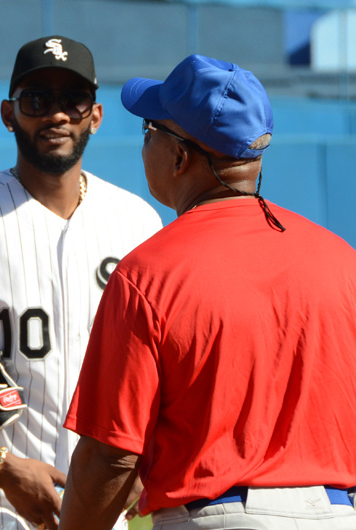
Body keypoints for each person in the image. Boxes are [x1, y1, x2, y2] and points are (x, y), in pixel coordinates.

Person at [60, 54, 356, 530]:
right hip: (339, 513)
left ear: (180, 156)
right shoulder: (342, 260)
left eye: (149, 129)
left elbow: (110, 455)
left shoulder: (148, 273)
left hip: (219, 515)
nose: (145, 143)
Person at [0, 36, 162, 530]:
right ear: (9, 114)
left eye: (73, 101)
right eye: (37, 101)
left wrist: (147, 460)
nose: (57, 115)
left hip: (102, 516)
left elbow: (159, 370)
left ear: (96, 115)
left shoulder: (136, 222)